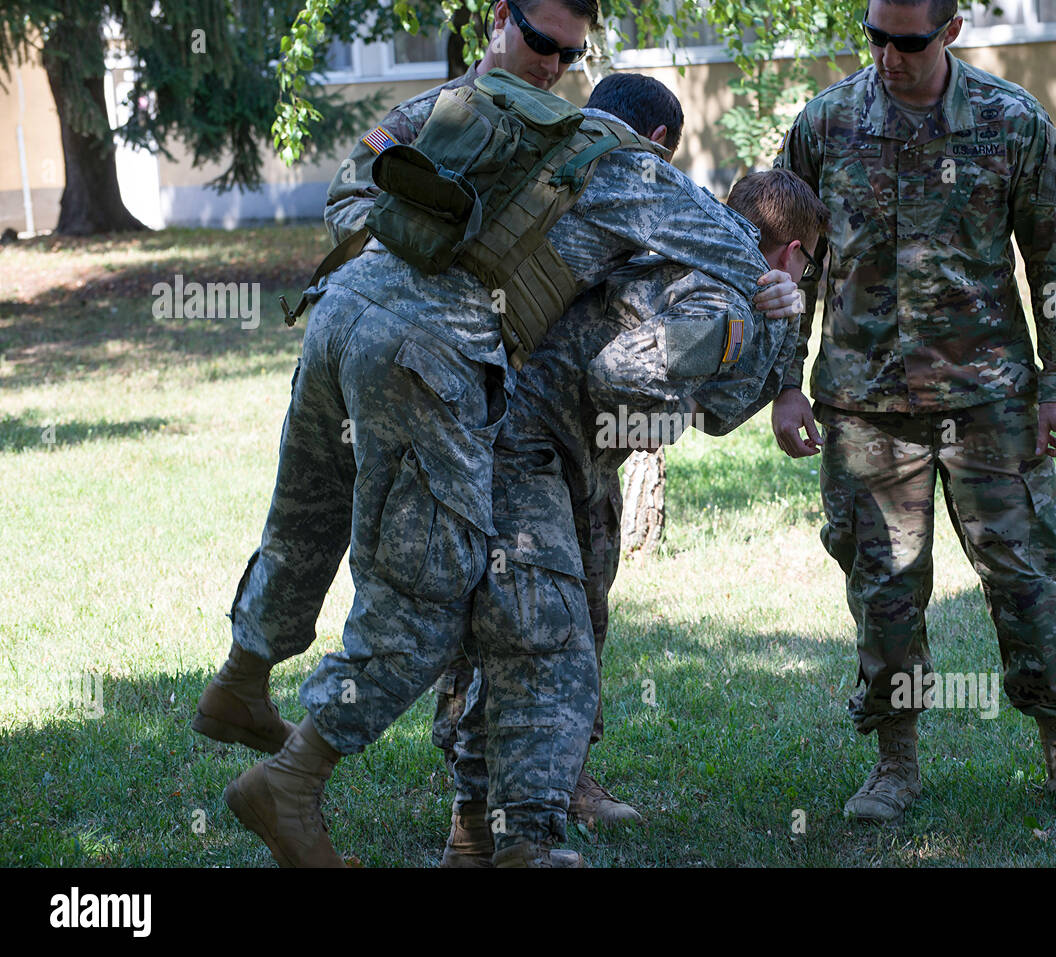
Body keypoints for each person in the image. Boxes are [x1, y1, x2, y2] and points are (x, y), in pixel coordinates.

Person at [194, 72, 800, 867]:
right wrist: (756, 326)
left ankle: (265, 692)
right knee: (478, 619)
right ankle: (317, 779)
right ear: (653, 151)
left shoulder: (489, 124)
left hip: (349, 312)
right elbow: (630, 377)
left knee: (318, 525)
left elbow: (355, 188)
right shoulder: (662, 217)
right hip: (477, 409)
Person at [771, 0, 1056, 823]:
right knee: (885, 591)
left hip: (991, 403)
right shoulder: (826, 123)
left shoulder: (1011, 122)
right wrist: (785, 379)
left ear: (952, 30)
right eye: (874, 38)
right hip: (866, 410)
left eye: (907, 40)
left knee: (1028, 577)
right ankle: (894, 765)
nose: (887, 56)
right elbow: (788, 262)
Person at [442, 168, 828, 866]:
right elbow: (623, 375)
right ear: (793, 252)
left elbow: (719, 399)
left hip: (545, 450)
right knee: (550, 643)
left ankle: (477, 833)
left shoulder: (707, 263)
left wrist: (772, 327)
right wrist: (669, 408)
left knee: (540, 634)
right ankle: (520, 839)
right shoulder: (724, 290)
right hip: (523, 448)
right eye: (810, 263)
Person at [425, 70, 687, 829]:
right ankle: (511, 786)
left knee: (517, 602)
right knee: (549, 611)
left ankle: (525, 770)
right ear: (660, 142)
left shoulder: (531, 170)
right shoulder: (628, 196)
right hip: (538, 440)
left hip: (519, 434)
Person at [325, 0, 600, 245]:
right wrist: (413, 238)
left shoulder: (574, 142)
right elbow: (345, 203)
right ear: (502, 16)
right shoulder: (423, 117)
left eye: (569, 56)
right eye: (541, 43)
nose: (552, 67)